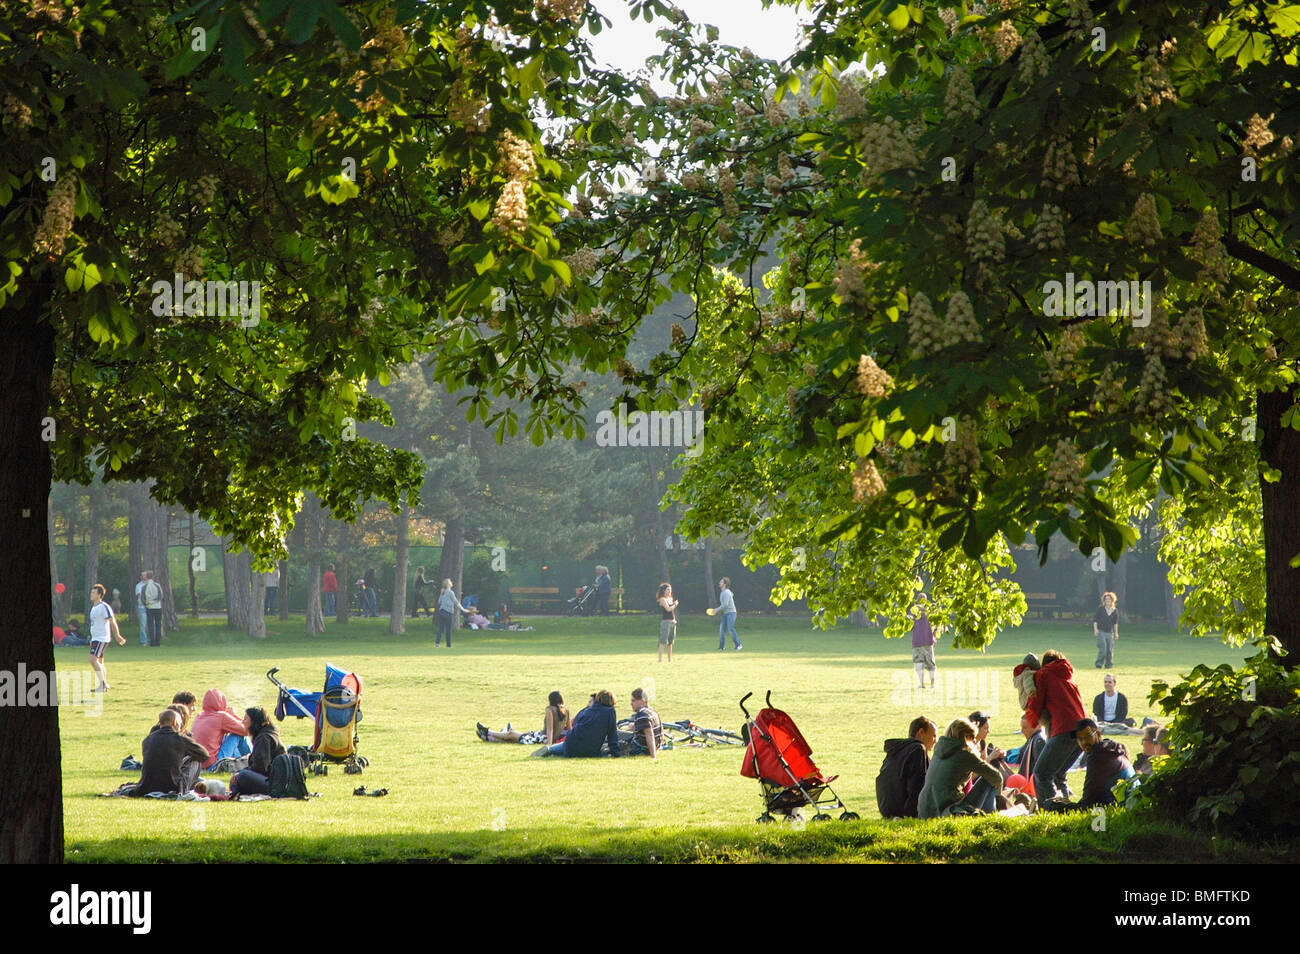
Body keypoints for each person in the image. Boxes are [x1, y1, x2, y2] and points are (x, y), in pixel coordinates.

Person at [1026, 649, 1087, 804]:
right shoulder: (1069, 676)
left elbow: (1036, 701)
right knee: (1059, 774)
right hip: (1084, 730)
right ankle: (1065, 810)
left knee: (1041, 774)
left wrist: (1032, 722)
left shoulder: (1044, 674)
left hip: (1064, 730)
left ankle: (1051, 811)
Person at [917, 718, 1005, 818]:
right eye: (973, 738)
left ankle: (987, 816)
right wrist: (999, 797)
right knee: (989, 779)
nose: (975, 742)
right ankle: (991, 818)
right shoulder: (964, 754)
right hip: (949, 810)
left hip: (925, 810)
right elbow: (997, 777)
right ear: (966, 737)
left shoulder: (939, 751)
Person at [126, 709, 210, 797]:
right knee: (194, 760)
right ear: (174, 722)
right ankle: (183, 790)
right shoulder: (180, 739)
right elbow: (204, 755)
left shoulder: (147, 740)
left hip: (145, 787)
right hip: (172, 787)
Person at [1065, 719, 1136, 810]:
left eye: (1087, 737)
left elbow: (1089, 798)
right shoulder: (1109, 748)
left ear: (1098, 734)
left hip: (1120, 808)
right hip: (1130, 803)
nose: (1083, 742)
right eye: (1080, 739)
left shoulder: (1098, 756)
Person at [876, 716, 937, 819]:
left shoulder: (897, 750)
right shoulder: (918, 749)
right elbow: (917, 786)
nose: (935, 741)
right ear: (921, 733)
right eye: (933, 736)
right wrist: (911, 817)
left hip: (888, 812)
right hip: (904, 815)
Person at [532, 690, 621, 758]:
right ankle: (551, 750)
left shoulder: (586, 710)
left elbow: (576, 723)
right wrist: (616, 753)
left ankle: (550, 749)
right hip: (590, 749)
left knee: (561, 748)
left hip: (571, 743)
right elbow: (612, 735)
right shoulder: (610, 712)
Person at [229, 708, 286, 796]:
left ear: (254, 721)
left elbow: (260, 767)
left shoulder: (264, 738)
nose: (242, 722)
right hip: (276, 782)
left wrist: (240, 773)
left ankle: (237, 791)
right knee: (238, 777)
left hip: (274, 785)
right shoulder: (267, 734)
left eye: (245, 719)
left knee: (242, 776)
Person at [478, 691, 571, 744]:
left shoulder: (550, 709)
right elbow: (570, 730)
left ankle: (488, 732)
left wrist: (549, 745)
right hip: (545, 737)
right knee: (512, 738)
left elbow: (550, 729)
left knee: (511, 734)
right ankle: (489, 738)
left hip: (543, 738)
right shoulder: (566, 711)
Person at [192, 688, 250, 770]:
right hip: (213, 765)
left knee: (226, 737)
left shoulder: (199, 716)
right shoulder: (221, 716)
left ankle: (241, 758)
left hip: (198, 766)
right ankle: (252, 760)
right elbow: (245, 730)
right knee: (238, 735)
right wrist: (234, 715)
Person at [87, 583, 125, 692]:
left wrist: (117, 635)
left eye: (93, 593)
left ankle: (103, 684)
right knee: (100, 661)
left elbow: (112, 621)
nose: (91, 594)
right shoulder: (94, 607)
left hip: (102, 638)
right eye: (91, 592)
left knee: (92, 660)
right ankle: (103, 684)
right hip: (96, 638)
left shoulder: (104, 606)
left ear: (99, 595)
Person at [1011, 712, 1047, 795]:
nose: (1022, 731)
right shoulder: (1033, 738)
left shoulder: (1039, 741)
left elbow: (1039, 771)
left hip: (1031, 787)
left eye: (1025, 728)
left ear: (1037, 726)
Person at [622, 687, 662, 758]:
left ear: (642, 700)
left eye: (633, 701)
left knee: (616, 734)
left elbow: (649, 735)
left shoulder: (642, 714)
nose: (631, 704)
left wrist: (653, 756)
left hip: (640, 749)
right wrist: (634, 726)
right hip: (651, 747)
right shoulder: (652, 711)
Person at [910, 595, 937, 689]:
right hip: (928, 641)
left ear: (917, 600)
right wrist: (935, 638)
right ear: (926, 600)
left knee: (918, 663)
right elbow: (935, 626)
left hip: (917, 641)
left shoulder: (914, 611)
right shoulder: (930, 611)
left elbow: (909, 626)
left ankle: (921, 684)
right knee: (931, 664)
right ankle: (932, 684)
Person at [435, 578, 469, 647]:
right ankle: (448, 644)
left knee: (441, 628)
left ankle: (437, 643)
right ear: (448, 584)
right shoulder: (450, 592)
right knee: (448, 629)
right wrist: (464, 609)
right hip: (448, 612)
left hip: (441, 611)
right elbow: (456, 602)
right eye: (450, 582)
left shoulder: (443, 592)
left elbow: (439, 602)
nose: (452, 582)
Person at [713, 577, 741, 651]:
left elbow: (725, 604)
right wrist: (718, 610)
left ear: (725, 584)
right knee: (722, 630)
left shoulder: (726, 592)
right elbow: (724, 605)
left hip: (731, 613)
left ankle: (738, 645)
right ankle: (721, 647)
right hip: (725, 613)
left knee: (730, 628)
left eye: (721, 582)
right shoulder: (722, 592)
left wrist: (716, 610)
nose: (719, 582)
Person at [1094, 590, 1119, 669]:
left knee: (1110, 650)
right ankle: (1099, 664)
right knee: (1103, 648)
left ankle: (1109, 665)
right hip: (1101, 631)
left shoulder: (1115, 611)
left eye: (1109, 599)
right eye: (1106, 599)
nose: (1107, 600)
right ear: (1104, 600)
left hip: (1110, 633)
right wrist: (1095, 630)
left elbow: (1115, 623)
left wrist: (1116, 633)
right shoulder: (1100, 609)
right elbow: (1095, 620)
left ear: (1112, 600)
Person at [141, 569, 164, 647]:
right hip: (158, 607)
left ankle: (152, 642)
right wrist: (155, 601)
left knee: (150, 625)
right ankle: (158, 642)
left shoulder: (144, 587)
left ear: (146, 577)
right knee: (158, 624)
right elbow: (161, 596)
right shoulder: (157, 585)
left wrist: (147, 602)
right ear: (153, 576)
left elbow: (142, 598)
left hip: (149, 607)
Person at [656, 582, 678, 663]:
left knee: (670, 642)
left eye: (670, 590)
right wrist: (675, 604)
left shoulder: (670, 599)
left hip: (672, 622)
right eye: (668, 589)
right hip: (666, 622)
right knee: (663, 642)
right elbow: (668, 609)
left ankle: (670, 659)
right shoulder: (662, 599)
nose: (669, 591)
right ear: (664, 591)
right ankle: (660, 660)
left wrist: (675, 620)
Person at [133, 570, 149, 646]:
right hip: (142, 607)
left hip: (151, 607)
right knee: (143, 625)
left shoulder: (151, 584)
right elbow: (140, 595)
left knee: (153, 624)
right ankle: (144, 642)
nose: (143, 577)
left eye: (145, 575)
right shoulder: (139, 586)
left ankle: (154, 641)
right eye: (142, 575)